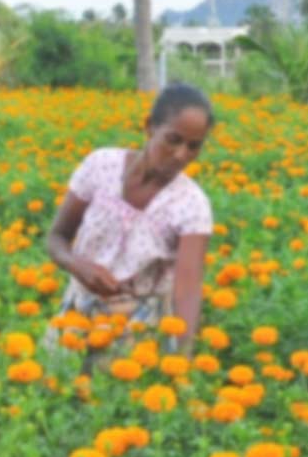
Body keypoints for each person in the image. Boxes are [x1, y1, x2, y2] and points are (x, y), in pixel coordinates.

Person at [43, 83, 214, 365]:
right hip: (76, 312)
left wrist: (181, 364)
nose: (182, 154)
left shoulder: (192, 205)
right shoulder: (101, 166)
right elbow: (56, 239)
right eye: (173, 139)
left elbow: (188, 291)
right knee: (54, 391)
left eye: (194, 146)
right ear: (149, 127)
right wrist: (78, 265)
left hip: (136, 329)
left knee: (111, 403)